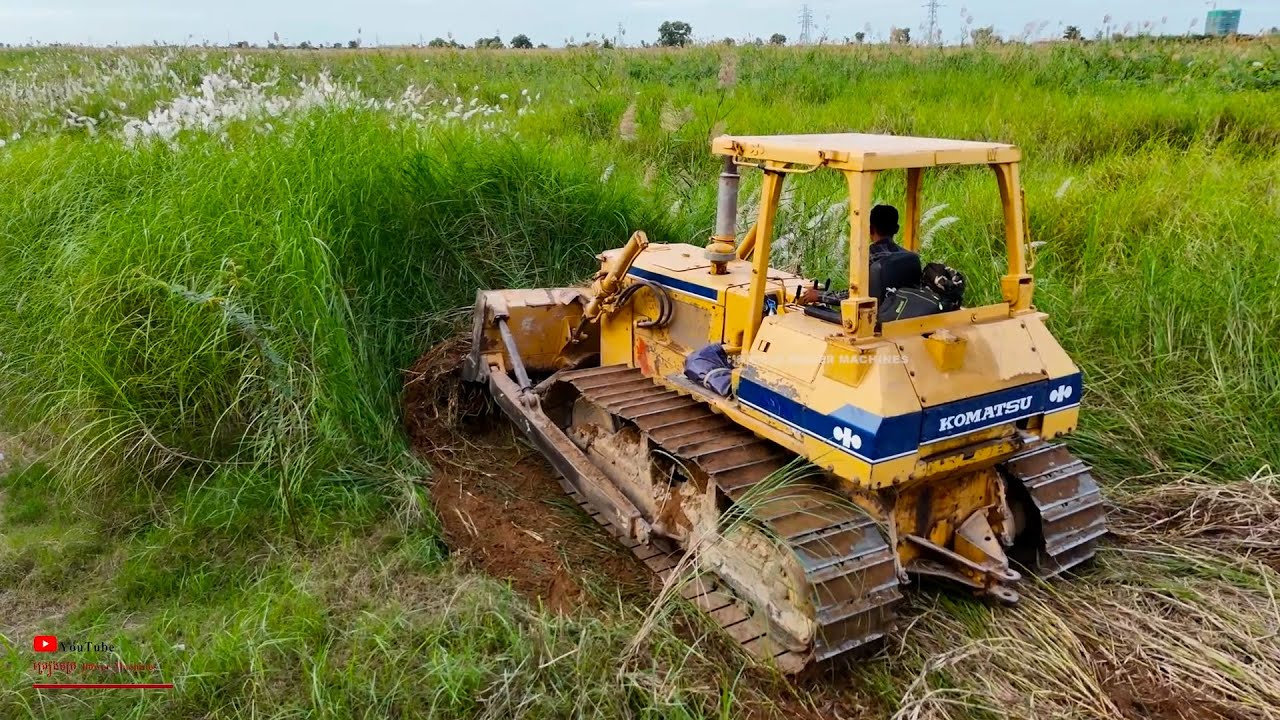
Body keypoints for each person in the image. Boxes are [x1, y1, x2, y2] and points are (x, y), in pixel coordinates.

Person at [800, 203, 907, 305]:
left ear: (870, 229)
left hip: (873, 314)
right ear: (896, 229)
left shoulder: (867, 257)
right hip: (901, 312)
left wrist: (820, 296)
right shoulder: (908, 258)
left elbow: (854, 295)